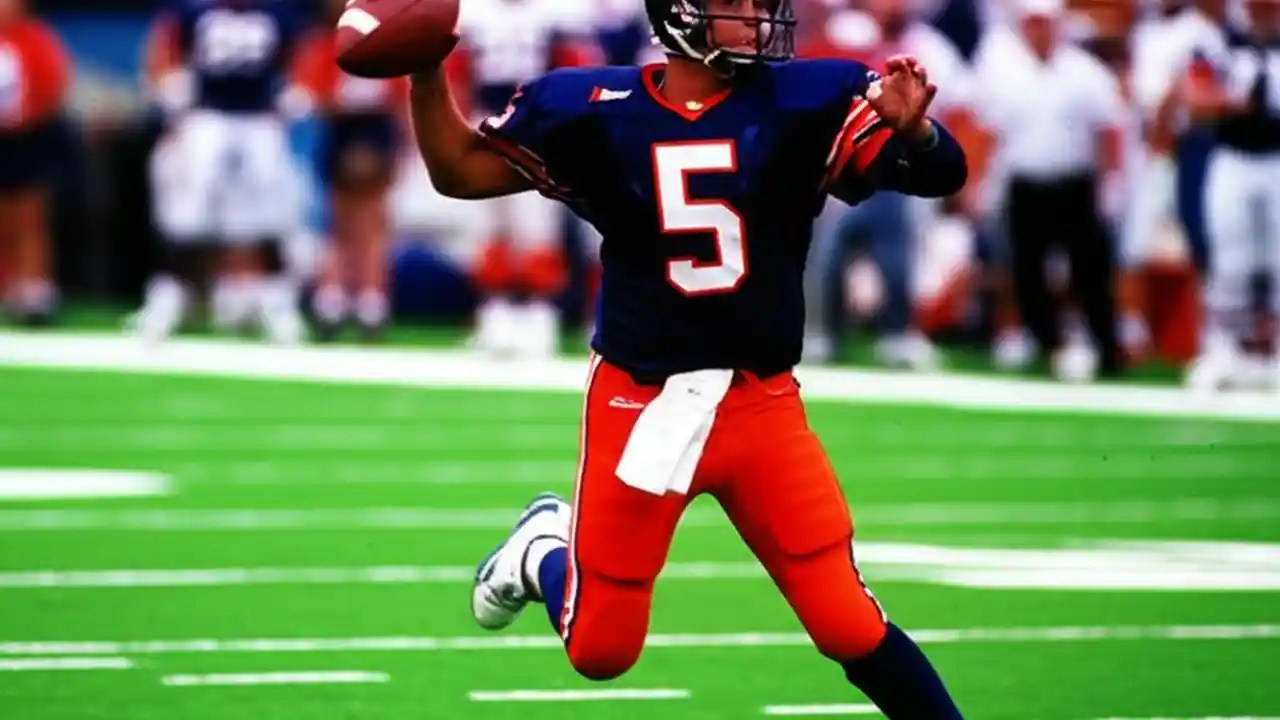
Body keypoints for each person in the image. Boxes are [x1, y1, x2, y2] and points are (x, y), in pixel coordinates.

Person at [409, 0, 966, 715]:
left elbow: (941, 173)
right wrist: (426, 72)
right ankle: (542, 547)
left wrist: (915, 131)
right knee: (601, 652)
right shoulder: (592, 109)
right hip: (641, 402)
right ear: (678, 15)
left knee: (848, 623)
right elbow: (458, 170)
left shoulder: (807, 99)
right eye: (735, 3)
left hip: (760, 402)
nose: (757, 17)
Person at [132, 0, 307, 344]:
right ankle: (166, 302)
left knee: (269, 216)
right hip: (206, 118)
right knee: (187, 215)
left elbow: (297, 60)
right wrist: (168, 90)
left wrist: (292, 92)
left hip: (260, 120)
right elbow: (162, 51)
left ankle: (279, 308)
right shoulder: (193, 12)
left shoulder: (279, 14)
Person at [297, 0, 409, 342]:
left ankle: (368, 297)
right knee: (341, 218)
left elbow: (399, 97)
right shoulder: (323, 43)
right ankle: (337, 295)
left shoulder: (390, 41)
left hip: (373, 127)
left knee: (370, 218)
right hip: (343, 128)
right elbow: (312, 93)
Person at [1185, 0, 1280, 391]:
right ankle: (1223, 348)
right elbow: (1194, 98)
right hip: (1233, 158)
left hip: (1276, 159)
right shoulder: (1222, 42)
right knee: (1230, 260)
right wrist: (1235, 102)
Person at [0, 0, 69, 326]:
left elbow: (52, 84)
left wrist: (26, 119)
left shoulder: (35, 39)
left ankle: (34, 288)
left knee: (30, 217)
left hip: (27, 139)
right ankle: (8, 284)